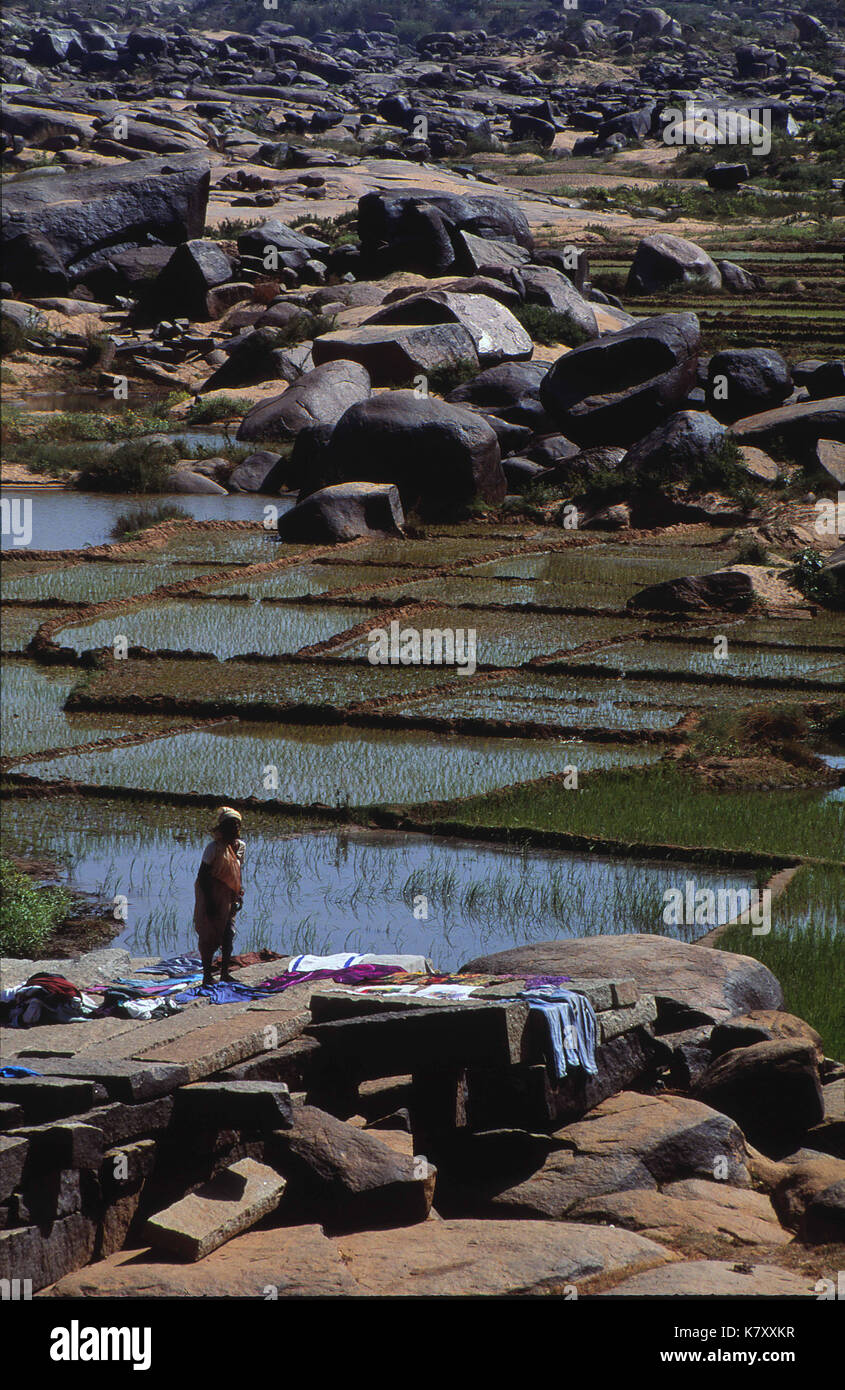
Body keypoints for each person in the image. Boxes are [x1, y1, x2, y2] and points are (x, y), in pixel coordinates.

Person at [194, 807, 245, 988]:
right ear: (222, 828)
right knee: (210, 936)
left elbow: (237, 872)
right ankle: (207, 976)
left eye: (237, 825)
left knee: (228, 934)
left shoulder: (240, 847)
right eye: (231, 825)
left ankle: (224, 974)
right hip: (212, 893)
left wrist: (239, 891)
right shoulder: (213, 848)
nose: (235, 828)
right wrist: (209, 902)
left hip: (229, 896)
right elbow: (203, 875)